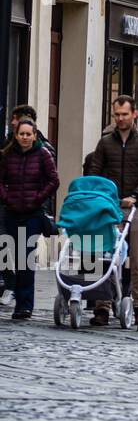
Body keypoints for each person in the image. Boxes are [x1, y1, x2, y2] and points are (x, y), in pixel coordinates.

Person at [85, 95, 138, 326]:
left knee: (137, 261)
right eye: (117, 114)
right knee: (106, 257)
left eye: (124, 114)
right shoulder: (105, 142)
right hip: (109, 206)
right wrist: (101, 196)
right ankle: (102, 307)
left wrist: (135, 195)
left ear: (134, 114)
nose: (120, 118)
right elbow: (95, 171)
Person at [0, 118, 58, 319]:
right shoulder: (7, 155)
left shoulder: (43, 154)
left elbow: (53, 180)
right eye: (21, 134)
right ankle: (19, 302)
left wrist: (38, 198)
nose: (25, 137)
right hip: (12, 212)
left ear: (34, 135)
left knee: (26, 257)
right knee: (17, 258)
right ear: (16, 136)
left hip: (32, 214)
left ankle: (25, 305)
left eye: (28, 134)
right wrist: (6, 198)